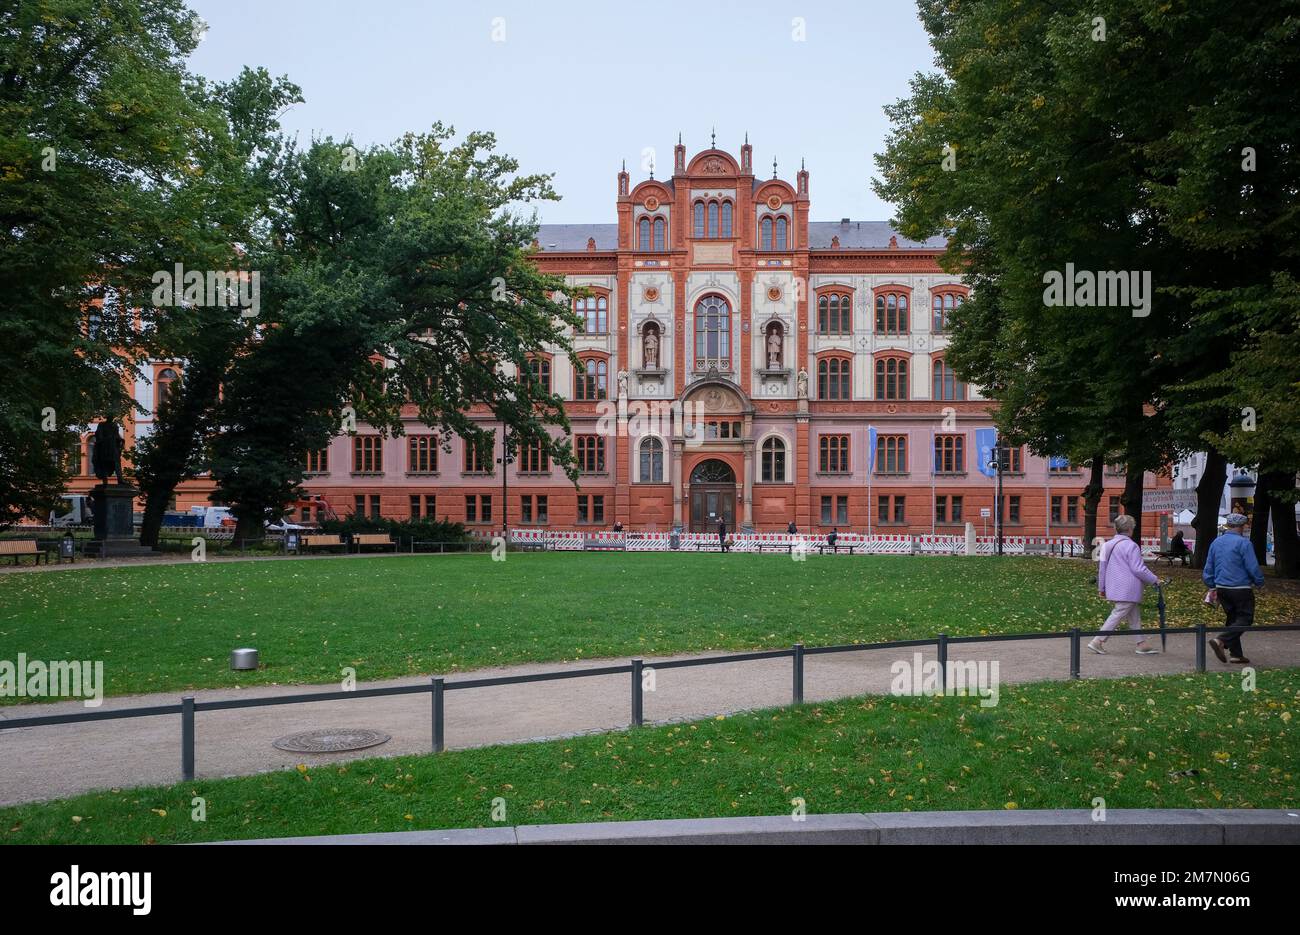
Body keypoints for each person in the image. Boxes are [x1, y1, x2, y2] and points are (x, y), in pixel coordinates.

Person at [1089, 514, 1160, 655]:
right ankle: (1098, 641)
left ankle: (1141, 643)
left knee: (1133, 614)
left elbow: (1102, 569)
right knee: (1118, 613)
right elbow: (1138, 568)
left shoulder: (1107, 545)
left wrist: (1101, 587)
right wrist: (1154, 579)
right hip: (1129, 587)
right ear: (1130, 529)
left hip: (1114, 586)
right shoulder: (1131, 546)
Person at [1204, 513, 1264, 665]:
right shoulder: (1244, 543)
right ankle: (1220, 640)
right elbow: (1252, 566)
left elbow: (1209, 567)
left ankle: (1236, 655)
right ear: (1241, 526)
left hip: (1221, 587)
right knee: (1246, 618)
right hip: (1240, 587)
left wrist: (1211, 585)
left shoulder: (1216, 542)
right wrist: (1259, 582)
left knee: (1232, 619)